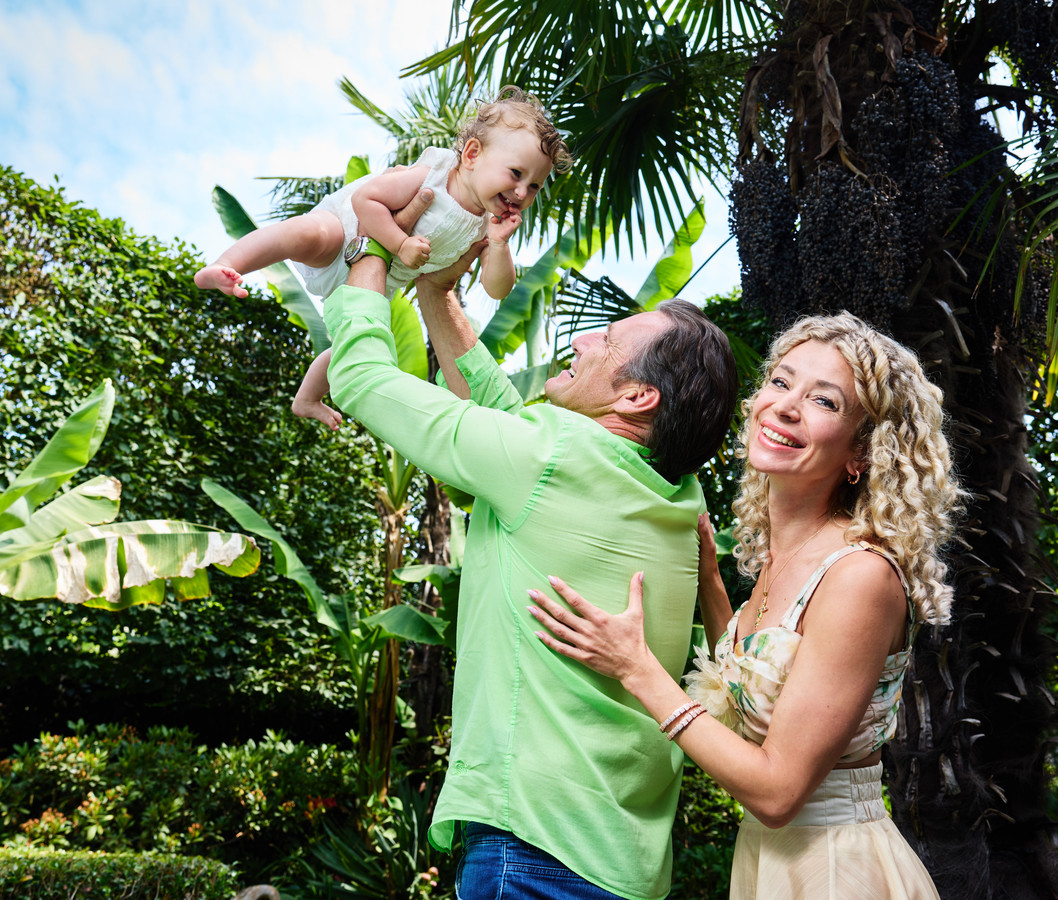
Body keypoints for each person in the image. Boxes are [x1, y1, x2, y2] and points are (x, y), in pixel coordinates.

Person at [322, 186, 740, 899]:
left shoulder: (544, 460)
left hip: (533, 857)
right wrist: (436, 287)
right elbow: (502, 412)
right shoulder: (675, 492)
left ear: (639, 399)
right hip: (626, 866)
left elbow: (359, 377)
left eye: (607, 343)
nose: (583, 339)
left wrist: (369, 248)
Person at [527, 312, 965, 900]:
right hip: (768, 863)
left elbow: (779, 792)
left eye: (825, 402)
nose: (785, 406)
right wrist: (710, 580)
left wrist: (638, 669)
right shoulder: (783, 561)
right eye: (781, 383)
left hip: (836, 869)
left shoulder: (860, 576)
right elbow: (754, 681)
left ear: (863, 453)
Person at [194, 85, 571, 429]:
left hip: (376, 283)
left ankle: (307, 397)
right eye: (516, 173)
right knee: (303, 234)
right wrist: (399, 244)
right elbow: (366, 200)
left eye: (534, 185)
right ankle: (225, 265)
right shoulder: (433, 176)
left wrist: (501, 246)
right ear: (472, 155)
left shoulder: (489, 225)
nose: (522, 191)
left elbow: (497, 289)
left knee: (360, 342)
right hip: (344, 232)